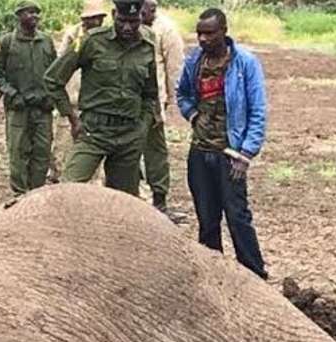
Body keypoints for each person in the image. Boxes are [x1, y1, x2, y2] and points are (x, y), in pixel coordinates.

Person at [176, 8, 269, 279]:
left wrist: (246, 153)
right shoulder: (195, 61)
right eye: (199, 33)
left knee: (237, 216)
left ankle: (254, 275)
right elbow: (182, 93)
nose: (203, 39)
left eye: (209, 33)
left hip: (230, 152)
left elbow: (258, 111)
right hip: (200, 150)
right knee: (206, 219)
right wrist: (192, 115)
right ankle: (213, 277)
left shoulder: (244, 63)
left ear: (224, 31)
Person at [44, 0, 160, 195]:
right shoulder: (92, 40)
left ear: (141, 17)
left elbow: (150, 94)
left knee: (124, 200)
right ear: (114, 15)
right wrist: (72, 119)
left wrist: (143, 127)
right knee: (67, 191)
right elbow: (53, 79)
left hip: (129, 135)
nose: (128, 27)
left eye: (133, 21)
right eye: (122, 21)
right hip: (93, 132)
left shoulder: (147, 46)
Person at [0, 1, 58, 195]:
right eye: (30, 12)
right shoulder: (7, 42)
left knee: (42, 151)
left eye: (37, 13)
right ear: (19, 15)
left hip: (42, 108)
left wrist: (51, 97)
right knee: (18, 152)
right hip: (18, 108)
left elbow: (55, 72)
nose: (34, 16)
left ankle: (36, 193)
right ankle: (19, 194)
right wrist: (12, 93)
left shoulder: (46, 41)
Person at [139, 0, 189, 223]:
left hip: (153, 104)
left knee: (156, 153)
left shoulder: (165, 29)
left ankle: (159, 202)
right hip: (125, 105)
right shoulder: (124, 24)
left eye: (152, 7)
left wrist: (170, 100)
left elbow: (174, 67)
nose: (150, 11)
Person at [52, 0, 108, 183]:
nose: (95, 22)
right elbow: (60, 66)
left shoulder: (106, 37)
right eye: (91, 18)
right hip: (71, 100)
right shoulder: (74, 35)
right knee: (63, 149)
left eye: (98, 18)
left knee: (93, 155)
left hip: (95, 106)